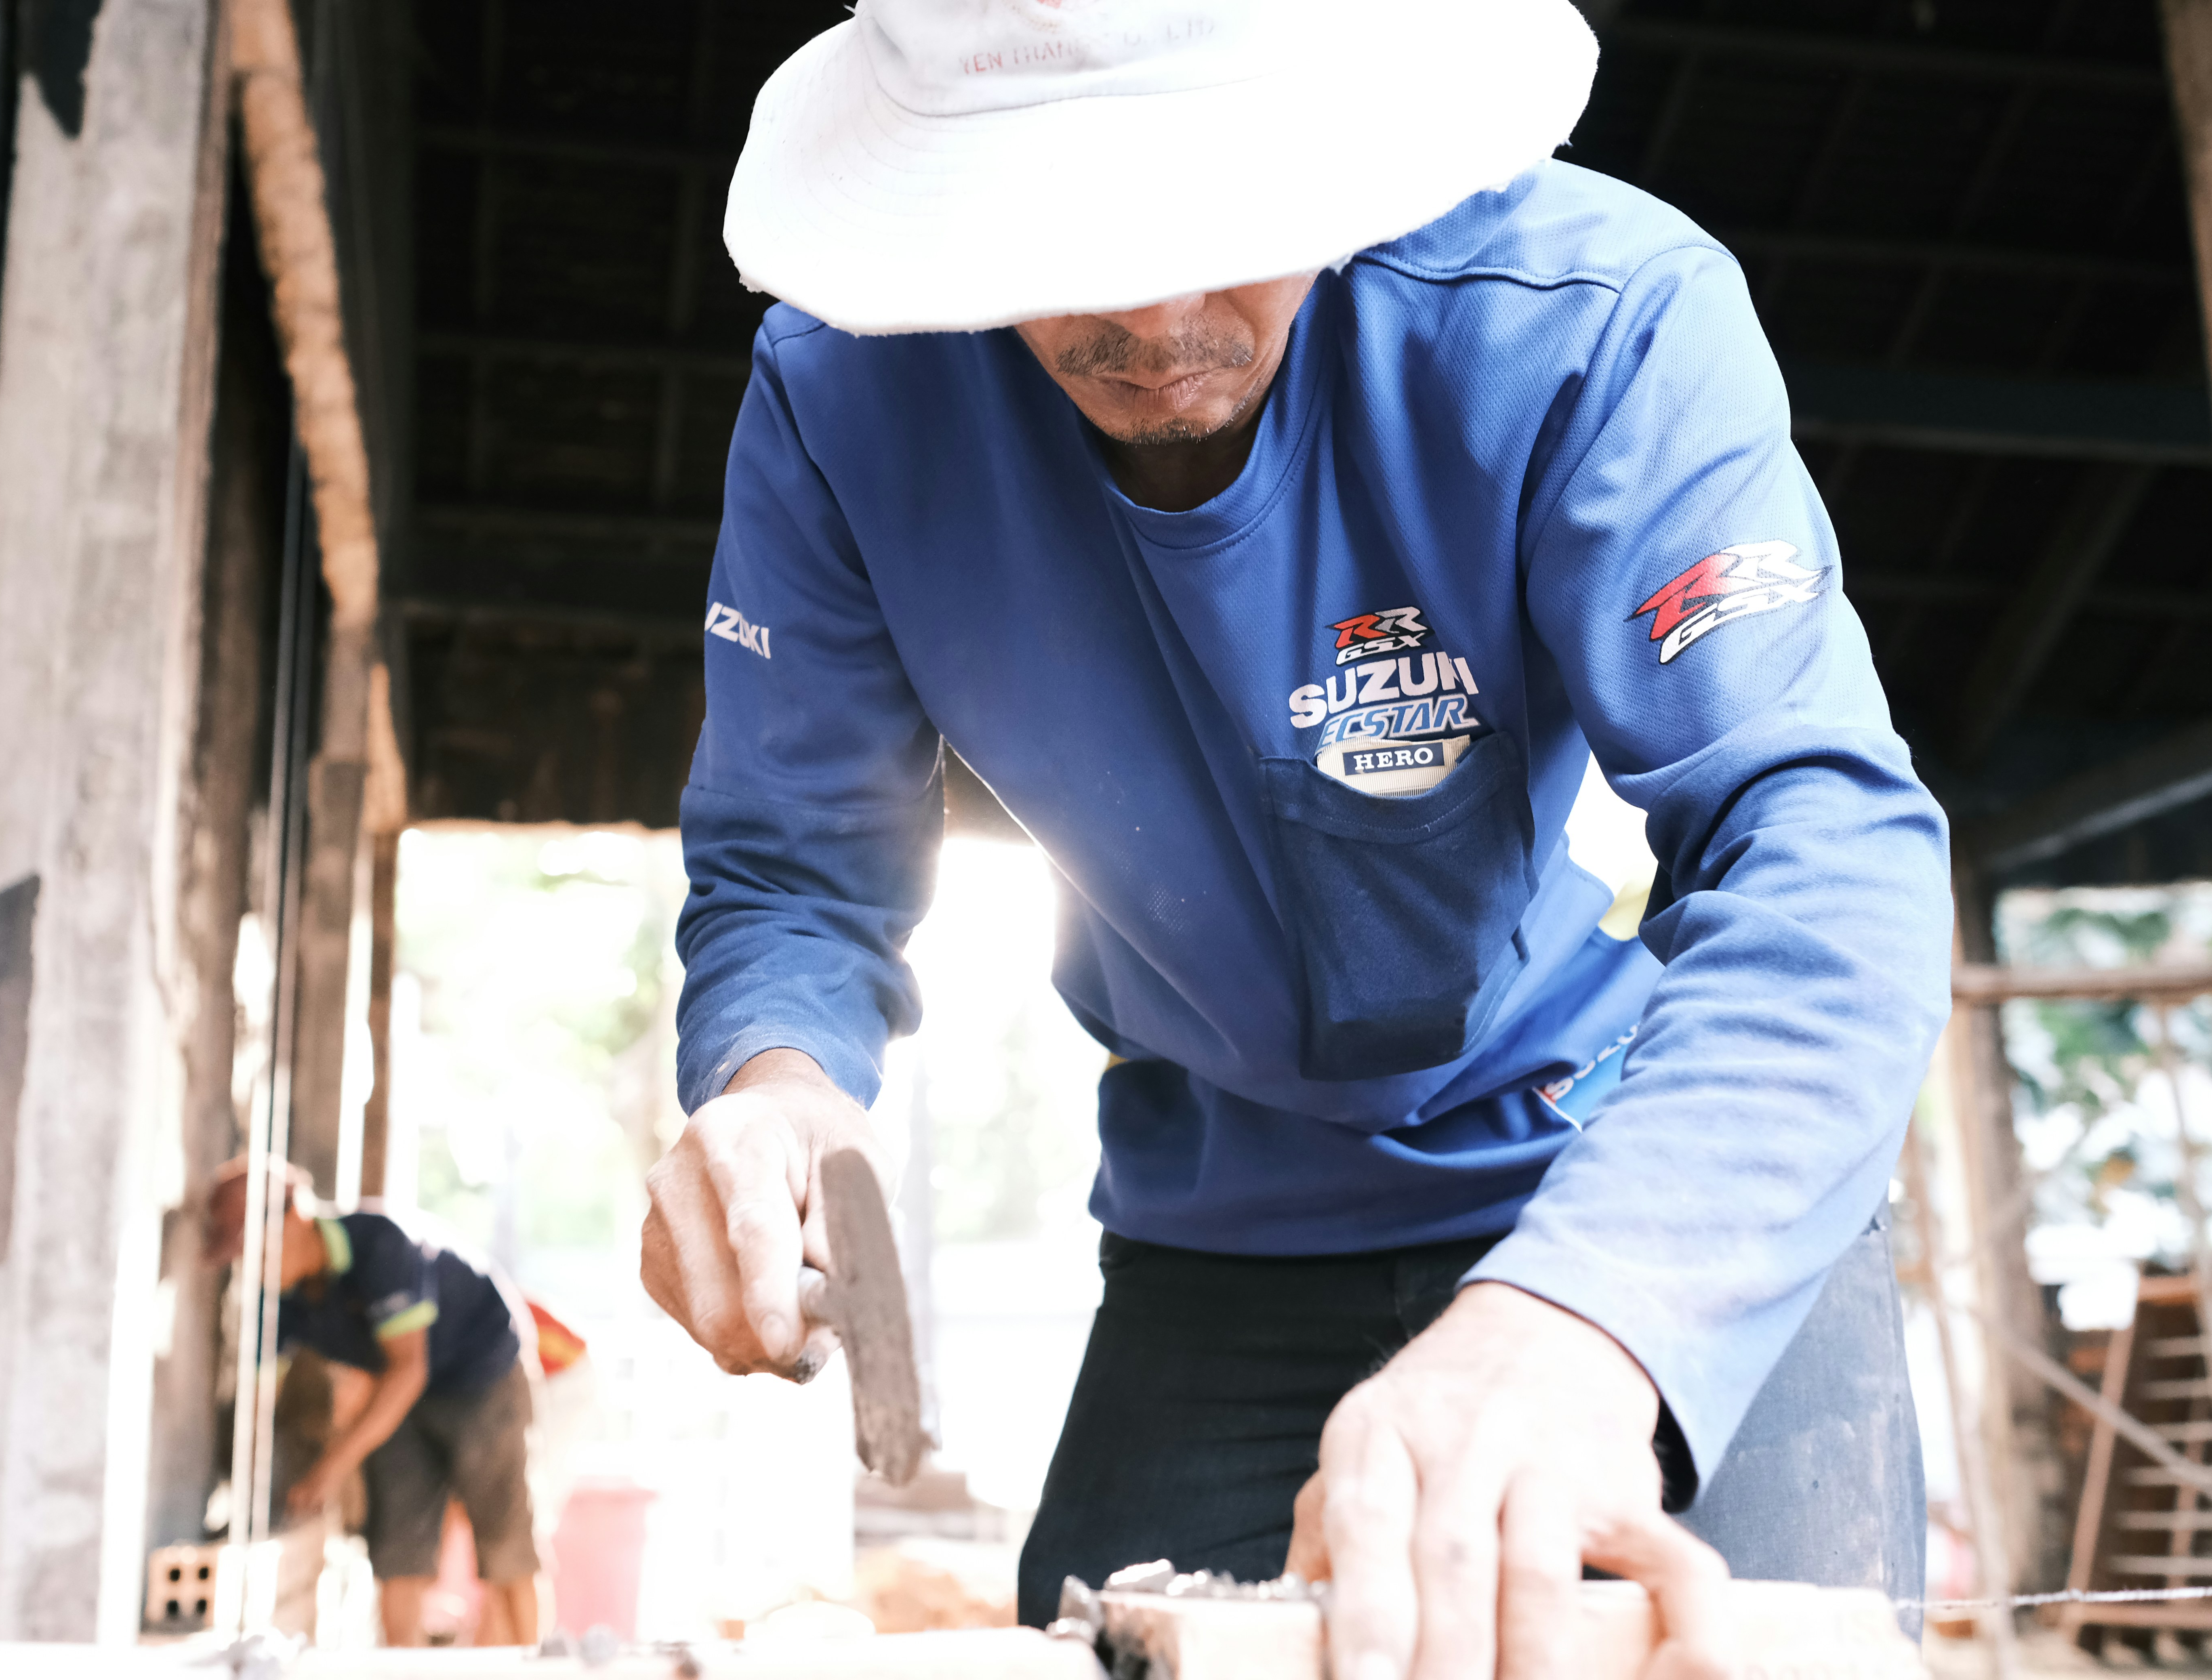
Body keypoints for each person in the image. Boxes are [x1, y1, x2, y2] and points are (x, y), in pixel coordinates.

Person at [639, 1, 1953, 1675]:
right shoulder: (843, 401)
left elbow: (1818, 841)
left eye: (1217, 215)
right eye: (1060, 242)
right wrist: (773, 1079)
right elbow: (792, 872)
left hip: (1626, 1173)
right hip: (1223, 1226)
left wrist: (1587, 1315)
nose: (1154, 313)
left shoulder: (1594, 316)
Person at [203, 1162, 547, 1647]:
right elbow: (258, 1400)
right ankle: (403, 1668)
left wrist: (331, 1466)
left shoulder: (381, 1243)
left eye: (255, 1249)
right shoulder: (277, 1299)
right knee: (397, 1546)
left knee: (503, 1537)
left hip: (480, 1376)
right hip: (399, 1396)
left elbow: (410, 1368)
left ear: (294, 1216)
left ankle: (542, 1666)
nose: (250, 1267)